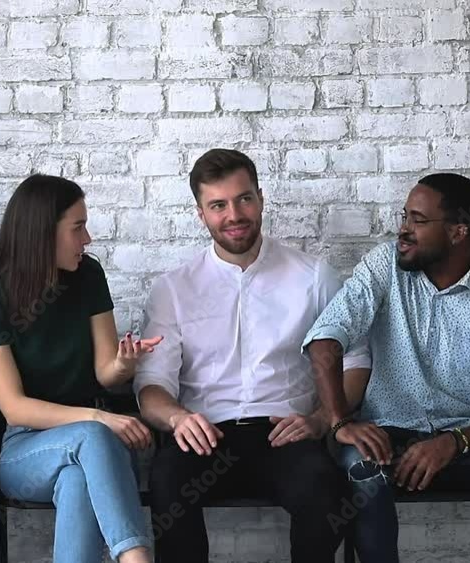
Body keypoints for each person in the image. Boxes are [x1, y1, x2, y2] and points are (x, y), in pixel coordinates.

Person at [304, 173, 470, 563]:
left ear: (459, 231)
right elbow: (326, 339)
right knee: (359, 464)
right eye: (404, 216)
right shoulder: (385, 266)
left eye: (417, 220)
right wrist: (340, 422)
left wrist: (455, 442)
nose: (403, 230)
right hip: (389, 442)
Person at [134, 148, 371, 563]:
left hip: (283, 433)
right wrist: (177, 418)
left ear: (260, 198)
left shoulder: (313, 277)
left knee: (324, 490)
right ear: (200, 213)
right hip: (205, 434)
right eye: (218, 205)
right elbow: (151, 385)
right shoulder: (173, 289)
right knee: (168, 482)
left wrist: (319, 420)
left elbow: (354, 363)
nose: (234, 214)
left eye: (244, 199)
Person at [0, 174, 160, 563]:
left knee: (77, 479)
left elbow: (106, 373)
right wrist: (99, 419)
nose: (87, 239)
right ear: (43, 233)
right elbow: (15, 408)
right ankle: (136, 557)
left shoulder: (88, 275)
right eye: (78, 228)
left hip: (94, 448)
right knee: (89, 437)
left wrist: (123, 363)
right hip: (26, 446)